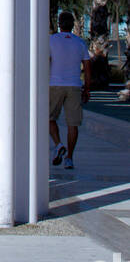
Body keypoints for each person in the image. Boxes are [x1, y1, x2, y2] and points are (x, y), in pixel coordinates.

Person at [49, 11, 91, 170]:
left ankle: (59, 144)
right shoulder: (80, 43)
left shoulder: (51, 40)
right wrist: (87, 88)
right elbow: (87, 67)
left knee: (48, 118)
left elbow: (45, 62)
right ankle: (69, 159)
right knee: (73, 124)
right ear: (73, 25)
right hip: (74, 85)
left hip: (55, 85)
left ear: (59, 24)